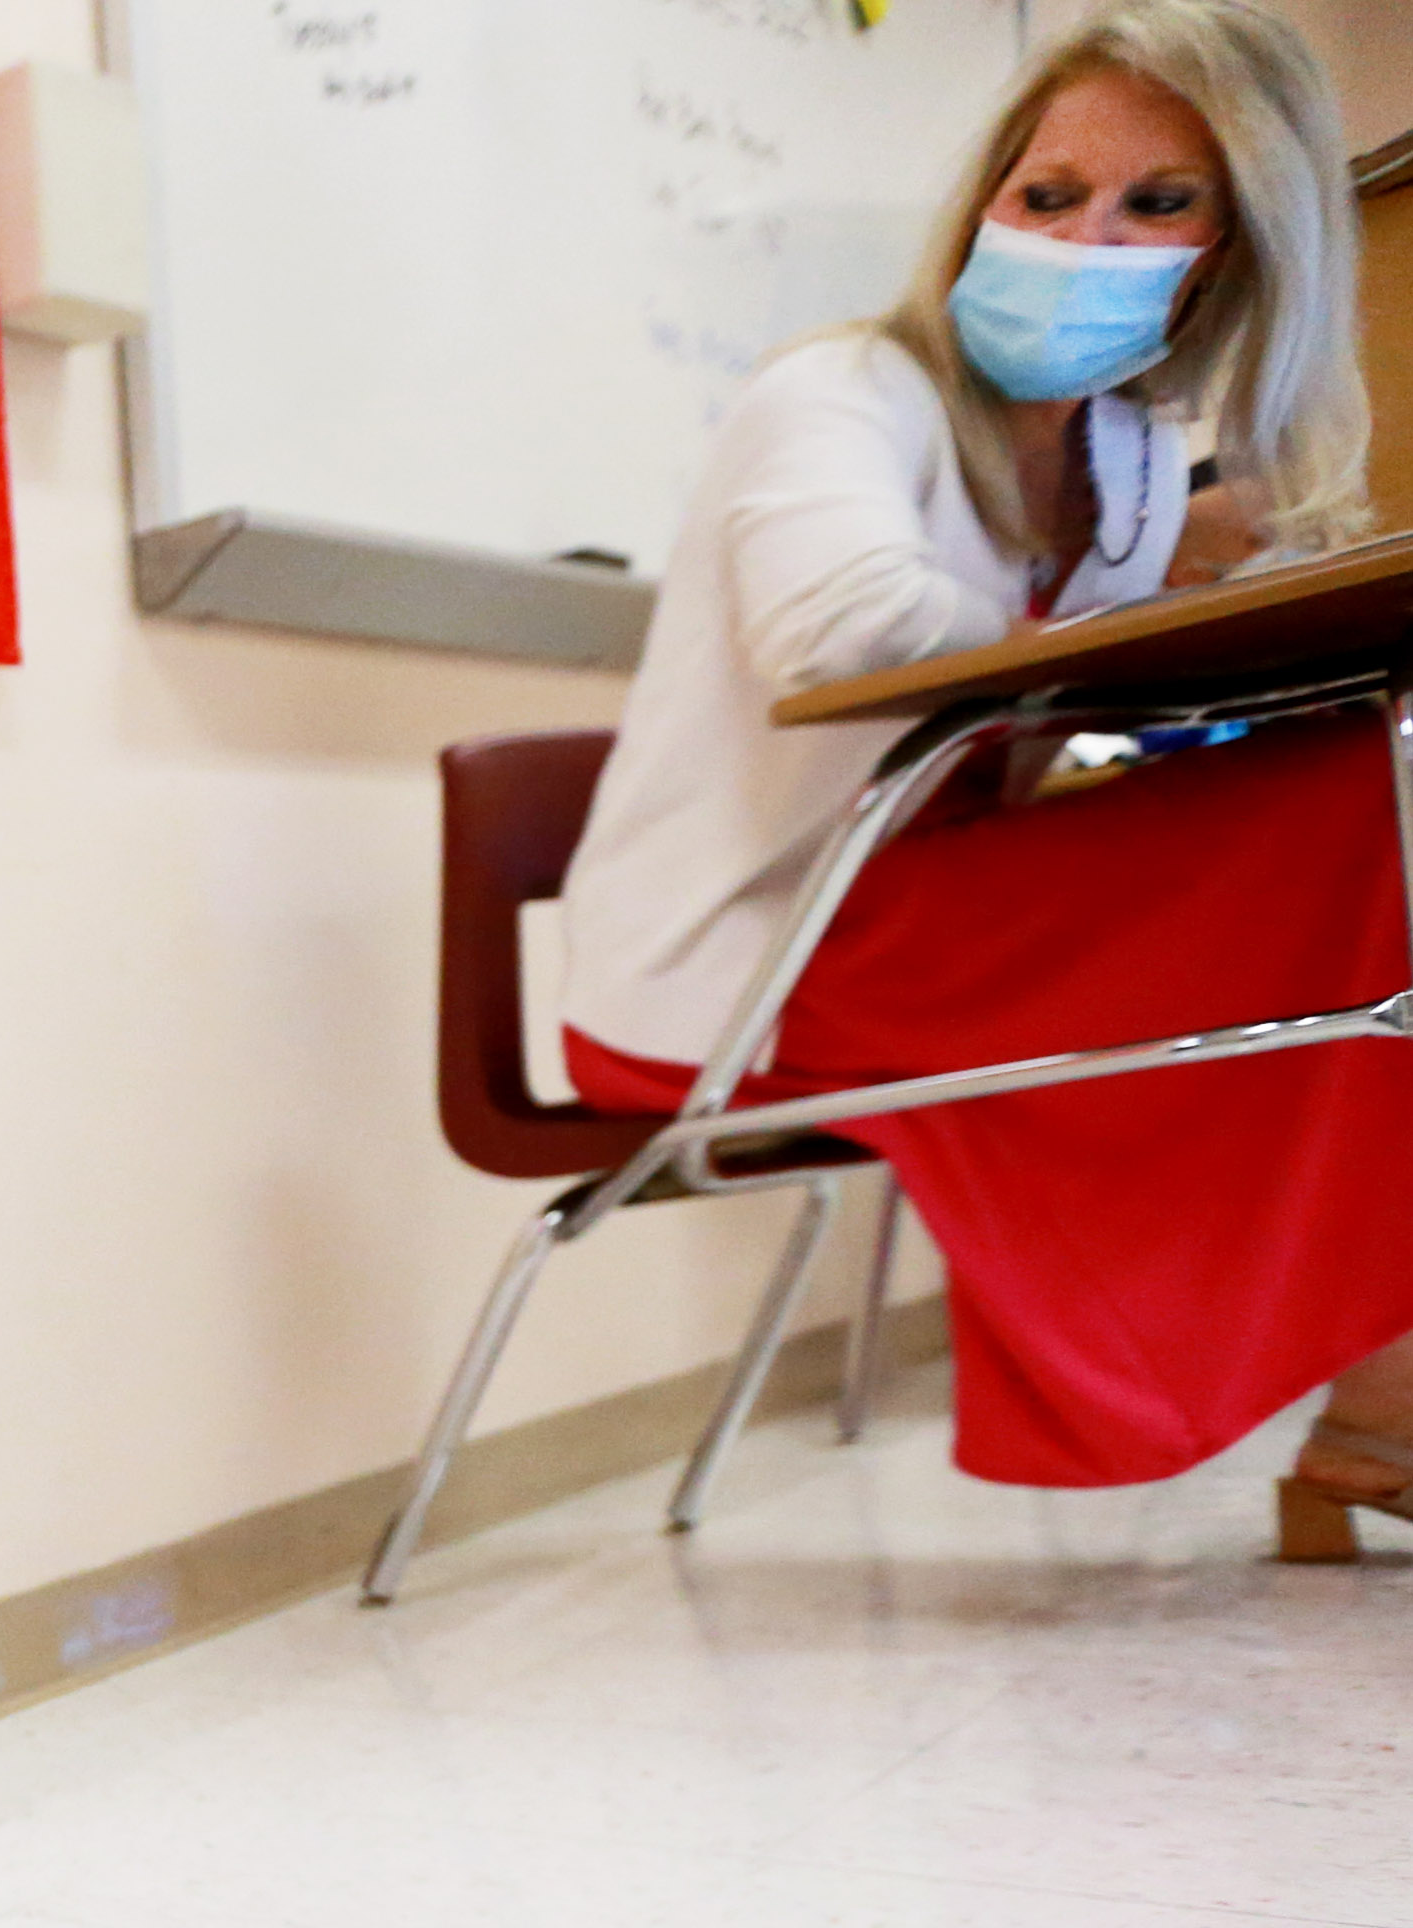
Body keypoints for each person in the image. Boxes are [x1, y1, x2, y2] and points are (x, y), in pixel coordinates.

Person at [557, 0, 1412, 1558]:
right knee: (1362, 818)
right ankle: (1378, 1397)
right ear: (983, 201)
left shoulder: (1135, 458)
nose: (1087, 239)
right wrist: (1124, 610)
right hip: (756, 953)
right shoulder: (840, 390)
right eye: (1049, 193)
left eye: (1159, 202)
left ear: (1235, 250)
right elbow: (845, 626)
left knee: (1371, 790)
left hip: (931, 899)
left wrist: (1184, 582)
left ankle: (1377, 1398)